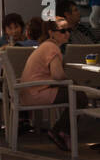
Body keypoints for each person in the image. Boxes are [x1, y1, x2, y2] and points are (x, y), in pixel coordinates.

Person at [20, 19, 86, 151]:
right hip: (36, 92)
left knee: (76, 92)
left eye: (69, 30)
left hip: (29, 91)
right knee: (79, 95)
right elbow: (57, 75)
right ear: (51, 33)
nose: (67, 34)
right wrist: (71, 79)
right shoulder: (52, 47)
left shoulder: (46, 45)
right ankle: (61, 131)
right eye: (62, 31)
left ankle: (60, 130)